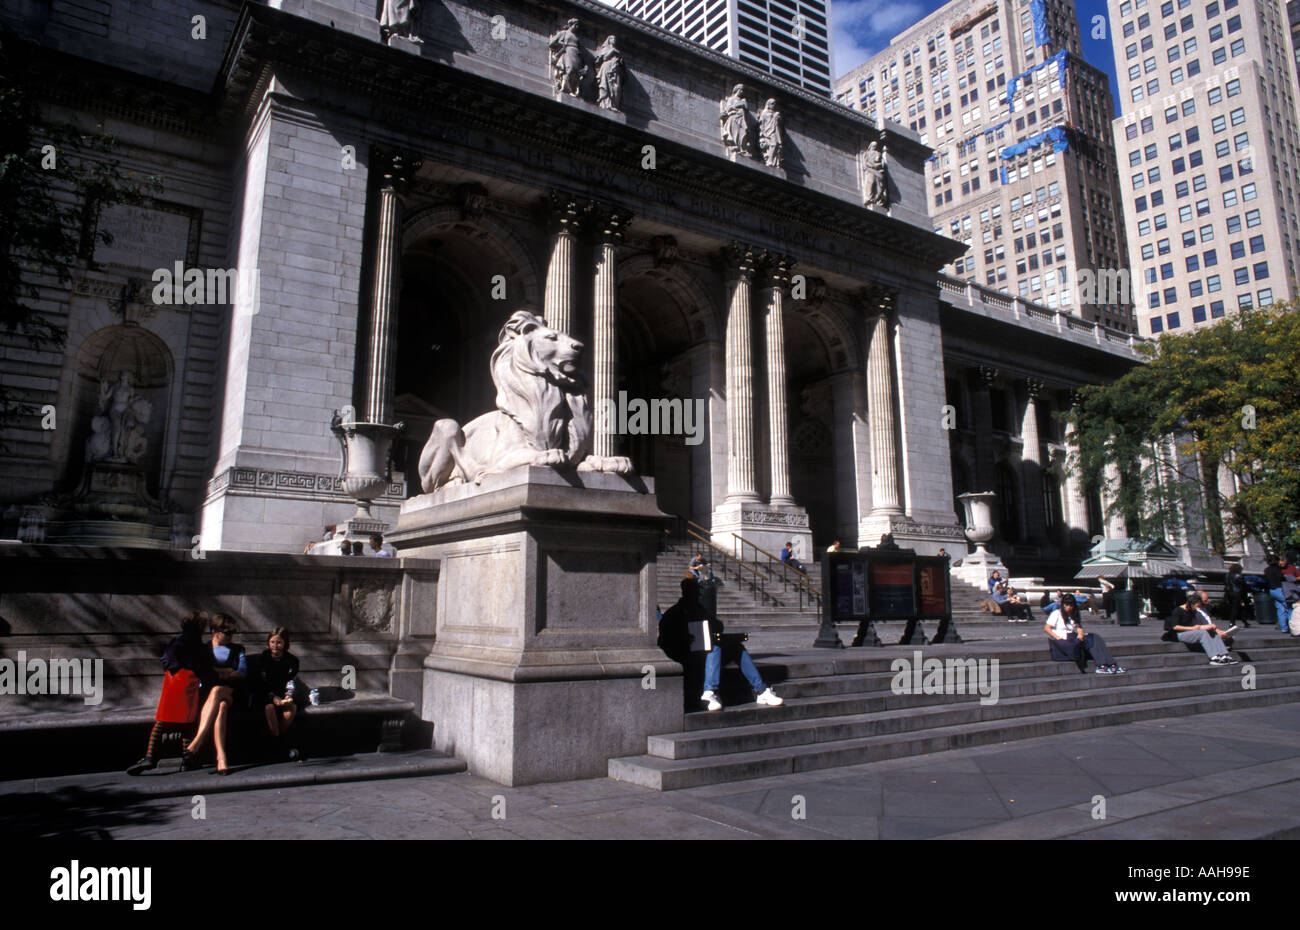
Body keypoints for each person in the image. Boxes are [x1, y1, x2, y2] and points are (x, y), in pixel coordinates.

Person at [657, 576, 781, 711]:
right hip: (686, 656)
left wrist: (712, 625)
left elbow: (718, 626)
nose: (696, 596)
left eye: (697, 593)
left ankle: (761, 690)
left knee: (736, 646)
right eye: (693, 593)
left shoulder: (700, 610)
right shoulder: (673, 613)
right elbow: (664, 642)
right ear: (685, 592)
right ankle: (710, 691)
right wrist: (684, 639)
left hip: (704, 654)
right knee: (714, 646)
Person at [127, 611, 217, 775]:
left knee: (163, 721)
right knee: (187, 724)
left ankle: (150, 756)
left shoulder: (179, 640)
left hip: (174, 682)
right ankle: (188, 759)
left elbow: (167, 659)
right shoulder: (199, 644)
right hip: (190, 682)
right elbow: (206, 667)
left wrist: (175, 670)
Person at [184, 613, 248, 775]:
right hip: (208, 698)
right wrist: (226, 671)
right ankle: (221, 757)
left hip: (233, 693)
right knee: (221, 706)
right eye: (227, 633)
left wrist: (216, 673)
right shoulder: (204, 650)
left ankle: (198, 741)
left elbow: (241, 673)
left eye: (233, 633)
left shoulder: (237, 649)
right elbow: (202, 673)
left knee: (218, 690)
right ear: (214, 631)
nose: (231, 636)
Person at [251, 627, 303, 761]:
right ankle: (278, 743)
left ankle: (278, 739)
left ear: (285, 643)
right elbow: (259, 683)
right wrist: (272, 697)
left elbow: (291, 680)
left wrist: (288, 695)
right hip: (264, 694)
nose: (275, 646)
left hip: (282, 694)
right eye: (272, 642)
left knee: (292, 709)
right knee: (269, 708)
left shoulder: (292, 661)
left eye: (279, 642)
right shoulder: (262, 659)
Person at [1045, 594, 1126, 674]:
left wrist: (1081, 634)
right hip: (1063, 639)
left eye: (1071, 605)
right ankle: (1102, 665)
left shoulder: (1074, 614)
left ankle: (1111, 664)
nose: (1069, 608)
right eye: (1066, 605)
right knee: (1091, 640)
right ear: (1063, 605)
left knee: (1095, 637)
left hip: (1072, 636)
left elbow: (1079, 627)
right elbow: (1047, 628)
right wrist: (1057, 637)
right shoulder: (1056, 613)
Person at [1166, 593, 1237, 664]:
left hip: (1191, 632)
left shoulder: (1193, 611)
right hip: (1179, 634)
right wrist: (1192, 628)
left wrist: (1209, 627)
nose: (1197, 608)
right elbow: (1175, 627)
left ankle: (1224, 654)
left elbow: (1197, 625)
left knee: (1211, 631)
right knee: (1203, 633)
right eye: (1196, 606)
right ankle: (1213, 657)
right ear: (1191, 604)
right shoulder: (1178, 611)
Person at [1264, 557, 1289, 632]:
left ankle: (1284, 628)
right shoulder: (1277, 569)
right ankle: (1292, 625)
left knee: (1280, 608)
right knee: (1289, 607)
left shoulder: (1266, 570)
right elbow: (1280, 577)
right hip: (1279, 589)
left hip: (1272, 590)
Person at [1223, 563, 1249, 628]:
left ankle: (1242, 621)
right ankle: (1233, 622)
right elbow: (1243, 585)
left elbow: (1226, 584)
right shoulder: (1239, 576)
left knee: (1234, 608)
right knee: (1237, 608)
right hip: (1238, 593)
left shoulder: (1227, 575)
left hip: (1229, 593)